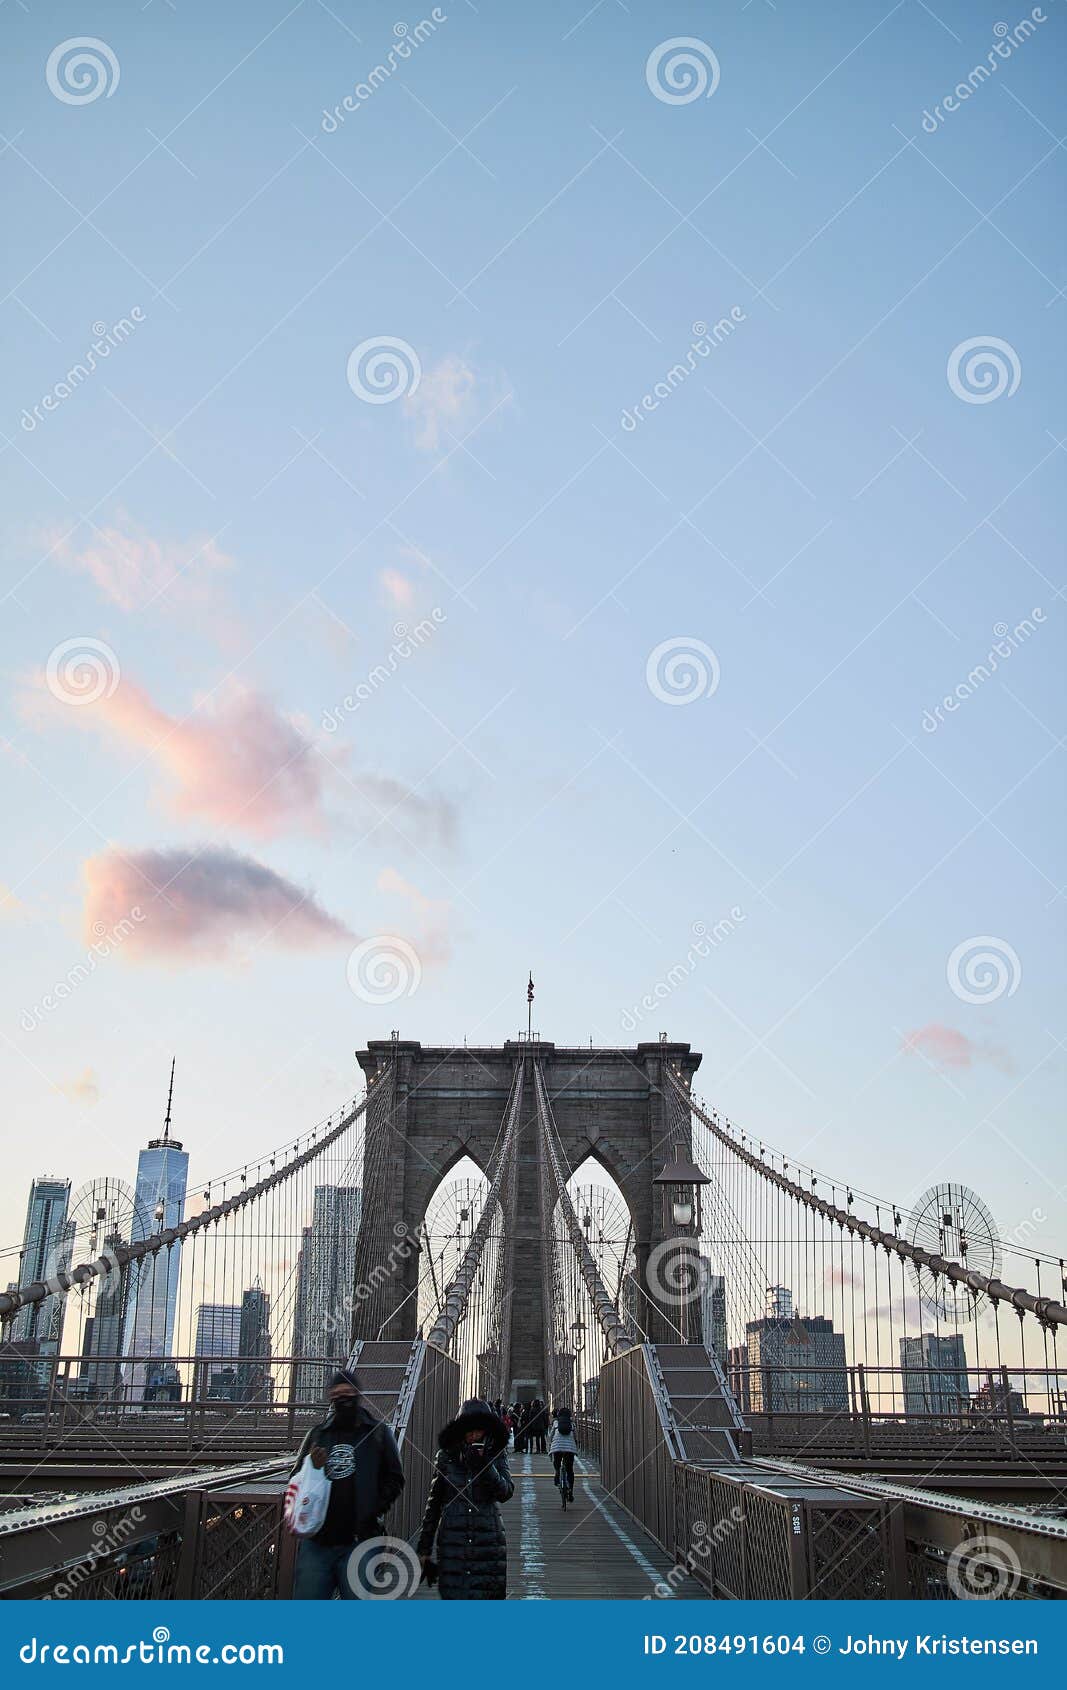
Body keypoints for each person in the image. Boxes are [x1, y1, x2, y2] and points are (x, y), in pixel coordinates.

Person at [289, 1369, 405, 1599]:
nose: (344, 1398)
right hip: (318, 1542)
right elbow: (295, 1478)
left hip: (359, 1541)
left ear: (358, 1394)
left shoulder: (378, 1433)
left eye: (349, 1392)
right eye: (338, 1393)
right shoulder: (317, 1434)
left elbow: (395, 1477)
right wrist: (311, 1468)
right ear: (331, 1397)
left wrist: (373, 1508)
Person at [417, 1398, 514, 1599]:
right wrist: (424, 1548)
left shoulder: (496, 1453)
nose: (473, 1435)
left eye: (479, 1430)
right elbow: (434, 1503)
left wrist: (484, 1465)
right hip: (453, 1545)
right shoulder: (446, 1456)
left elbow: (505, 1492)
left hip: (488, 1544)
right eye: (469, 1429)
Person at [550, 1405, 578, 1502]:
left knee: (556, 1463)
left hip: (557, 1447)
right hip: (569, 1448)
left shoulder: (556, 1422)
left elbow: (551, 1435)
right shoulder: (572, 1424)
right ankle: (571, 1492)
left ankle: (557, 1472)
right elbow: (575, 1437)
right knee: (570, 1469)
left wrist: (550, 1443)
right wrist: (576, 1443)